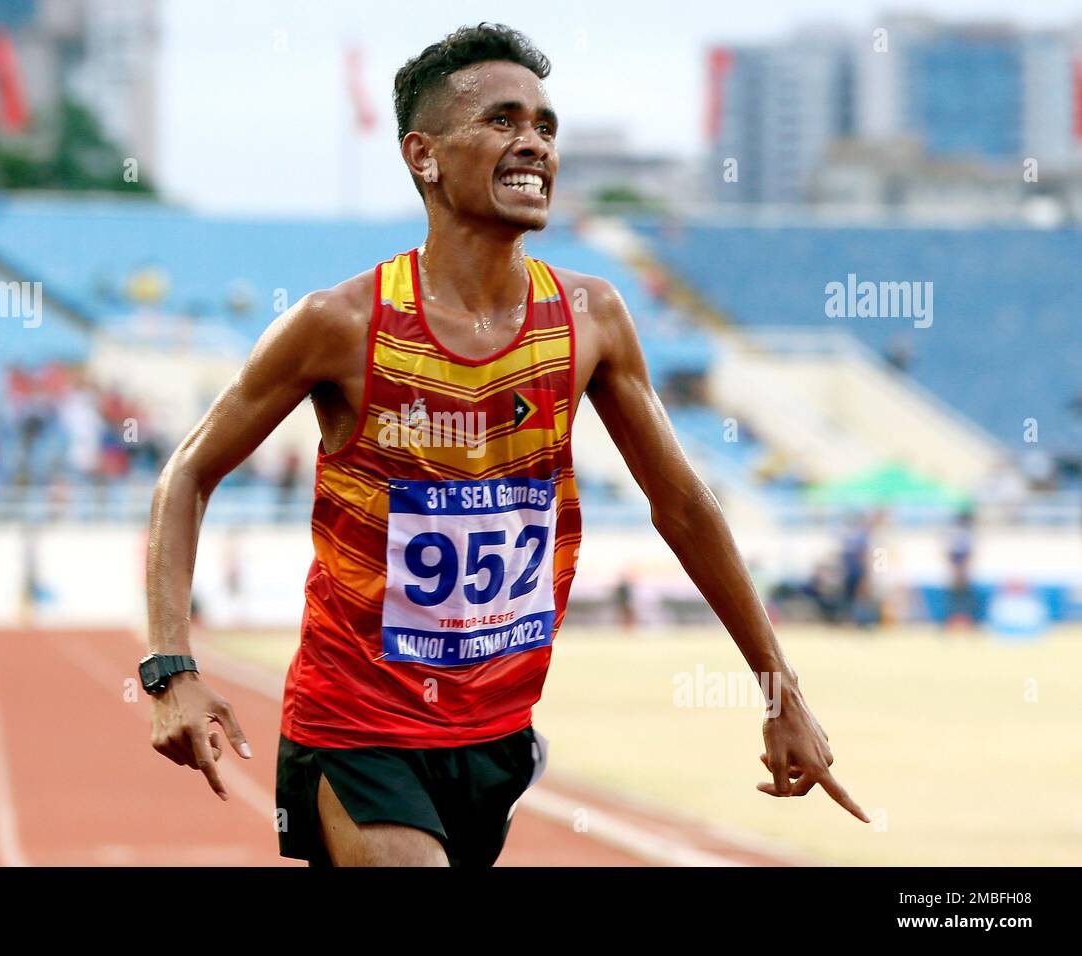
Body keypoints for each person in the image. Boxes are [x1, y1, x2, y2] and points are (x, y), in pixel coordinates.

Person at [143, 22, 867, 868]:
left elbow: (682, 504)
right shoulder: (338, 326)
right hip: (358, 725)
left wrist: (779, 689)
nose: (533, 143)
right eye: (502, 121)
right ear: (424, 156)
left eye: (546, 127)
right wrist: (170, 667)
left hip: (497, 732)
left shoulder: (591, 319)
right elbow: (188, 472)